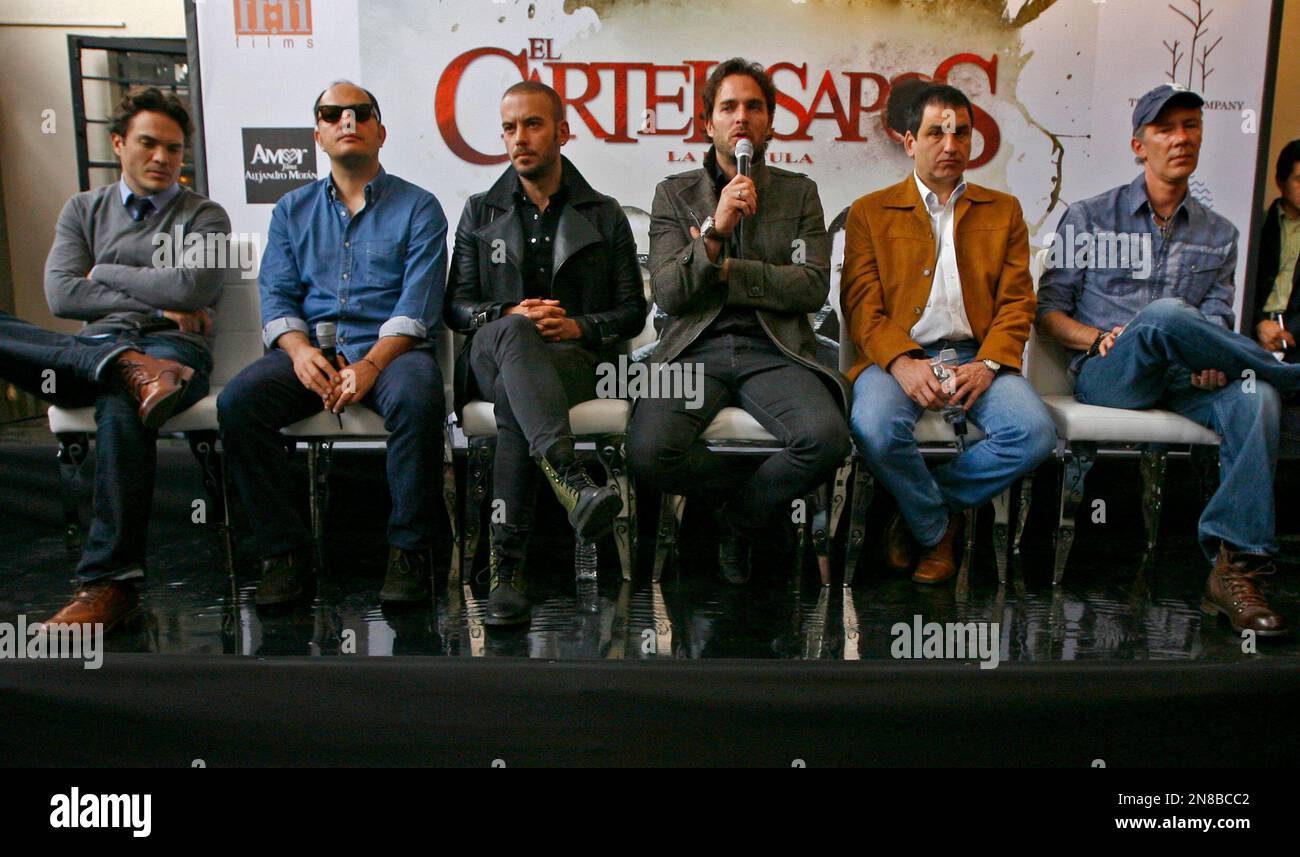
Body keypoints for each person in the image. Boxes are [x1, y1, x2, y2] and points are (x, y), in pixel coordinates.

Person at [1038, 83, 1300, 637]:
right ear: (1139, 144)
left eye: (1190, 126)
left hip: (1186, 379)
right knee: (1162, 314)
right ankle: (1286, 371)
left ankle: (1237, 569)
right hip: (1113, 374)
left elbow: (1216, 322)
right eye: (1165, 129)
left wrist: (1217, 363)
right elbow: (1048, 312)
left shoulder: (1219, 234)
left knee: (1258, 397)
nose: (1180, 138)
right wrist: (1094, 337)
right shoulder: (1087, 217)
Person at [0, 87, 230, 629]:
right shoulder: (82, 209)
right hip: (91, 350)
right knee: (106, 371)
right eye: (148, 144)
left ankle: (109, 585)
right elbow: (60, 295)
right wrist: (161, 300)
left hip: (172, 356)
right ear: (119, 142)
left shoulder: (206, 216)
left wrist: (102, 273)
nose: (161, 158)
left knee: (127, 404)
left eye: (173, 149)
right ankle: (123, 365)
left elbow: (194, 287)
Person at [218, 81, 448, 607]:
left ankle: (410, 551)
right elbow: (276, 299)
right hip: (311, 353)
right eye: (332, 113)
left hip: (392, 353)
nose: (348, 120)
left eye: (361, 112)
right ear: (318, 134)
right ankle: (285, 553)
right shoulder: (290, 211)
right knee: (238, 404)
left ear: (380, 131)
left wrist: (369, 364)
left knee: (419, 396)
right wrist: (299, 354)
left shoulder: (419, 207)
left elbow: (418, 306)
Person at [626, 57, 851, 585]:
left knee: (825, 438)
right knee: (647, 453)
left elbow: (812, 286)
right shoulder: (674, 193)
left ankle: (738, 519)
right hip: (695, 349)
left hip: (776, 350)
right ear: (709, 123)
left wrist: (726, 270)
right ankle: (751, 497)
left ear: (770, 121)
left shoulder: (799, 193)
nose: (741, 117)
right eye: (728, 107)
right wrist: (714, 230)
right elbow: (670, 293)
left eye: (754, 107)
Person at [445, 81, 643, 626]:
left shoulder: (603, 215)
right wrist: (508, 315)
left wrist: (576, 325)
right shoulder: (478, 212)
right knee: (515, 338)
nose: (519, 139)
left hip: (571, 362)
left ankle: (506, 573)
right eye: (509, 128)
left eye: (532, 125)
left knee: (518, 394)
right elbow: (456, 309)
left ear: (562, 130)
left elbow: (632, 313)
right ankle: (570, 478)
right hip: (492, 351)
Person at [841, 81, 1054, 584]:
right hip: (897, 359)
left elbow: (1018, 302)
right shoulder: (869, 211)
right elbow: (861, 306)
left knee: (1035, 432)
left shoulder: (1003, 212)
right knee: (873, 427)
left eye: (961, 133)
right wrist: (900, 361)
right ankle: (938, 532)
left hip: (977, 357)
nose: (951, 144)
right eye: (936, 132)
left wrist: (991, 363)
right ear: (910, 141)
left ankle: (924, 513)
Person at [1250, 140, 1300, 362]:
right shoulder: (1256, 225)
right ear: (1280, 181)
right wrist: (1258, 323)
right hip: (1253, 333)